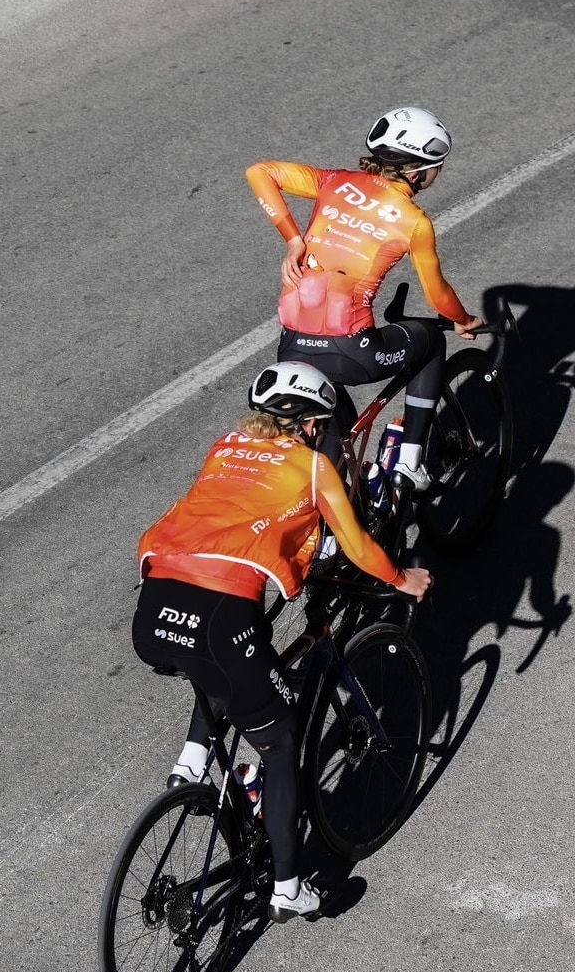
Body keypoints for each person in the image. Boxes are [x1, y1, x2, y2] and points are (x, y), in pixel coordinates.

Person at [132, 362, 431, 922]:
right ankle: (289, 889)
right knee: (280, 739)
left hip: (153, 606)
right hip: (219, 616)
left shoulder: (225, 447)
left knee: (231, 661)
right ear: (315, 425)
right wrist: (401, 579)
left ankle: (192, 765)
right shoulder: (315, 467)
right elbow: (360, 546)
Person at [246, 106, 484, 492]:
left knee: (338, 438)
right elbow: (438, 296)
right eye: (438, 165)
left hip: (291, 348)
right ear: (417, 169)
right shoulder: (414, 221)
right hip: (354, 352)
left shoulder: (333, 182)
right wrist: (462, 319)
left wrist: (293, 238)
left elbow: (260, 172)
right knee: (431, 341)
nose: (439, 173)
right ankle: (409, 462)